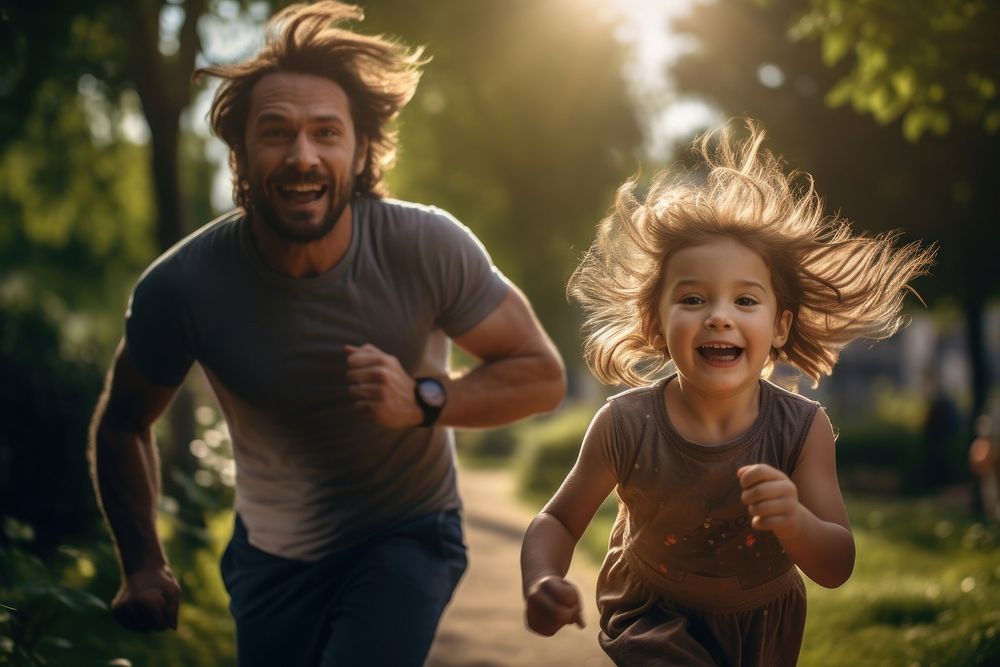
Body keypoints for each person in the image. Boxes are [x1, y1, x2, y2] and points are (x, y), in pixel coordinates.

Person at [88, 3, 565, 666]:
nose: (302, 155)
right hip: (269, 558)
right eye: (276, 132)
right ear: (241, 153)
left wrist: (425, 399)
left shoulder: (425, 245)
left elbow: (540, 374)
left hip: (409, 529)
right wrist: (140, 563)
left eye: (325, 133)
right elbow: (122, 424)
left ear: (361, 148)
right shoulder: (184, 286)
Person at [520, 121, 936, 666]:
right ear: (656, 321)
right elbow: (557, 520)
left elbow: (837, 565)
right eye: (693, 299)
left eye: (745, 301)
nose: (719, 316)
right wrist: (542, 577)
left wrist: (795, 521)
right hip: (651, 614)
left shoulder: (801, 430)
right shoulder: (626, 425)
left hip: (761, 628)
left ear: (780, 327)